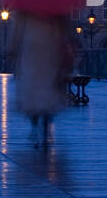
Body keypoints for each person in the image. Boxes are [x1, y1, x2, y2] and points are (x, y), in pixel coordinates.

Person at [11, 11, 74, 147]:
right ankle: (46, 127)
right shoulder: (56, 9)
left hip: (32, 47)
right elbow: (65, 30)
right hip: (50, 46)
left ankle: (35, 124)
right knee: (48, 88)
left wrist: (14, 52)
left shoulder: (26, 9)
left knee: (33, 87)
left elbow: (17, 31)